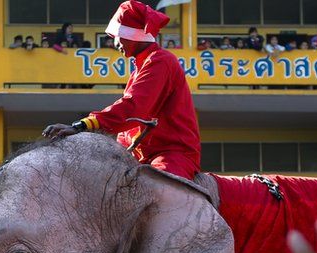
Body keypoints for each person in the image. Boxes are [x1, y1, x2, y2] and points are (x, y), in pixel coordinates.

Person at [42, 1, 202, 180]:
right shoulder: (142, 66)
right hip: (143, 158)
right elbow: (128, 130)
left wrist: (82, 126)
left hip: (172, 155)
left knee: (158, 190)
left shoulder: (160, 61)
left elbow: (133, 109)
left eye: (118, 35)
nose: (115, 42)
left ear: (133, 36)